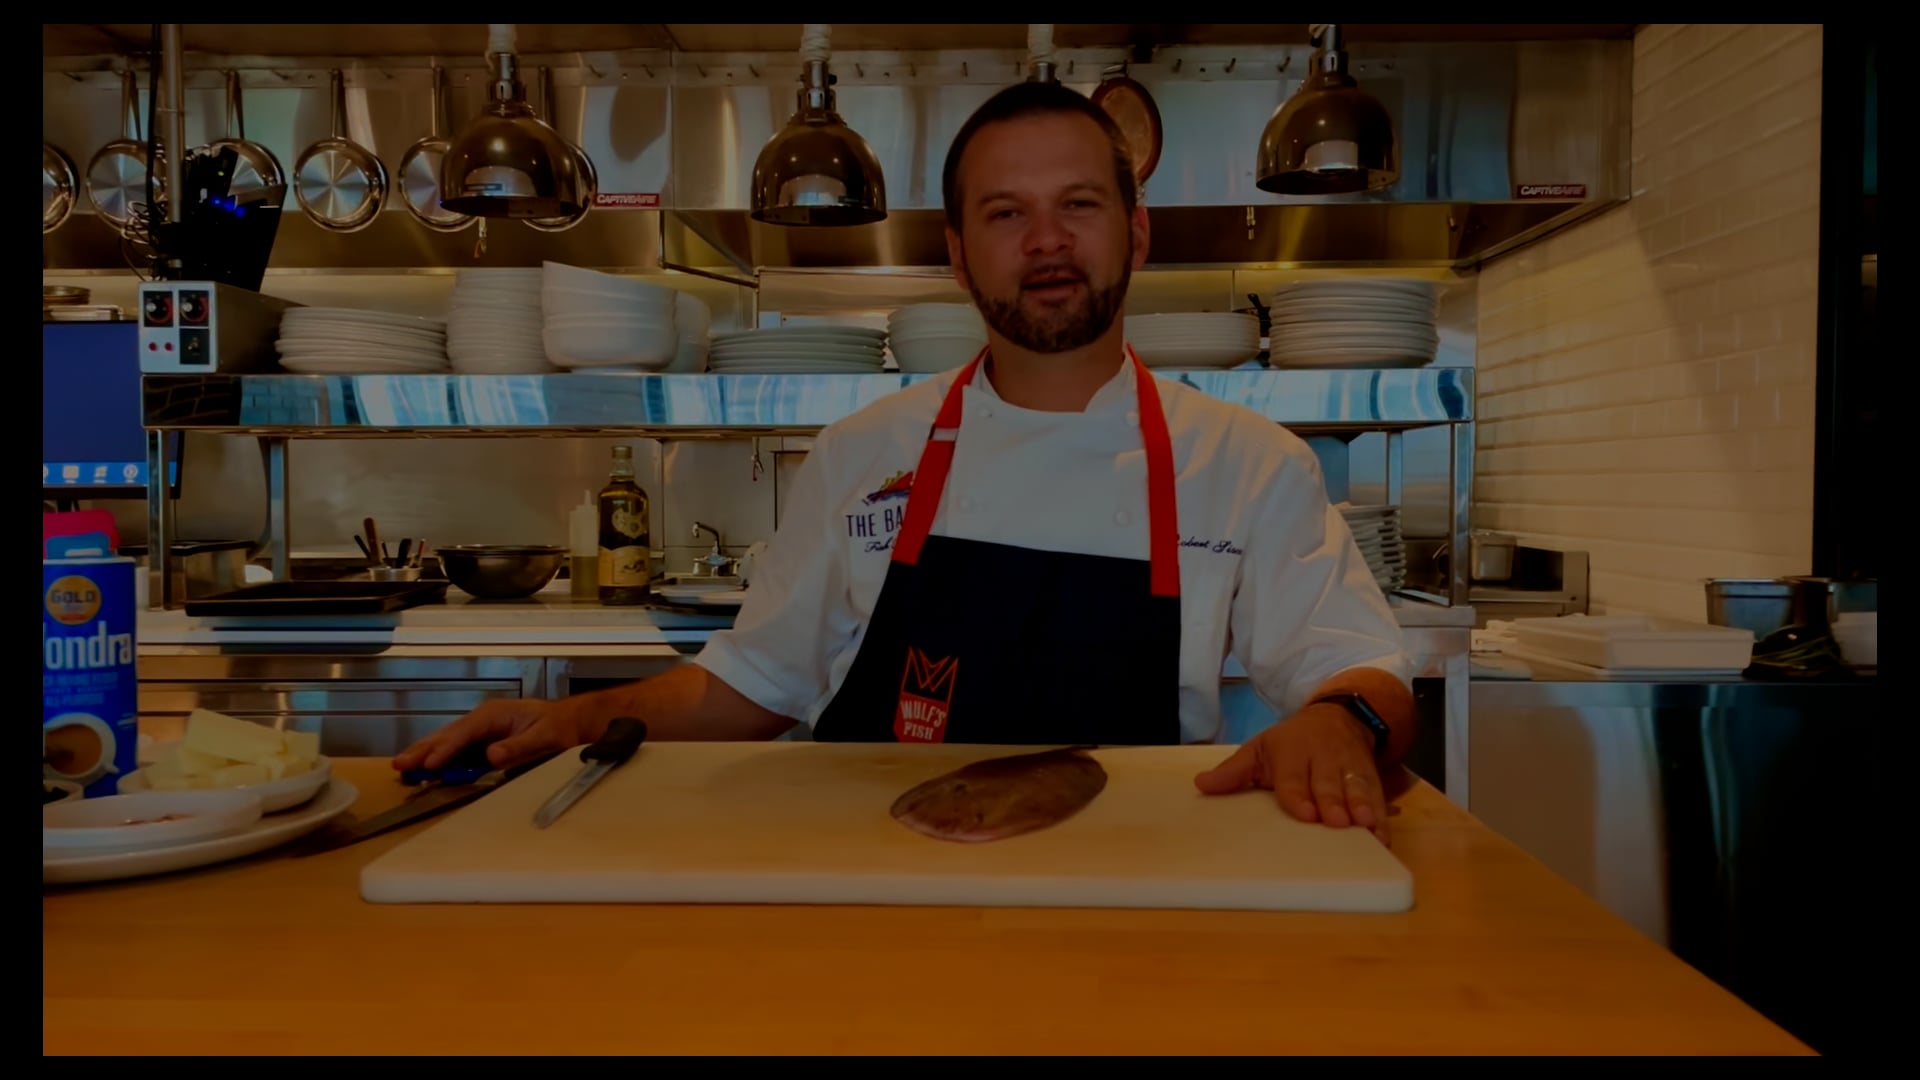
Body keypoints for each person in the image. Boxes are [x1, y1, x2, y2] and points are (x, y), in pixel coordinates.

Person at [397, 81, 1418, 843]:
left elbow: (1361, 669)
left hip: (1132, 880)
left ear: (1136, 233)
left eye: (1079, 205)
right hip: (874, 879)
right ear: (959, 256)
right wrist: (570, 718)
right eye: (1006, 213)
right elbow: (753, 682)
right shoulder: (865, 455)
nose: (1047, 241)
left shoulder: (1246, 464)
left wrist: (1343, 721)